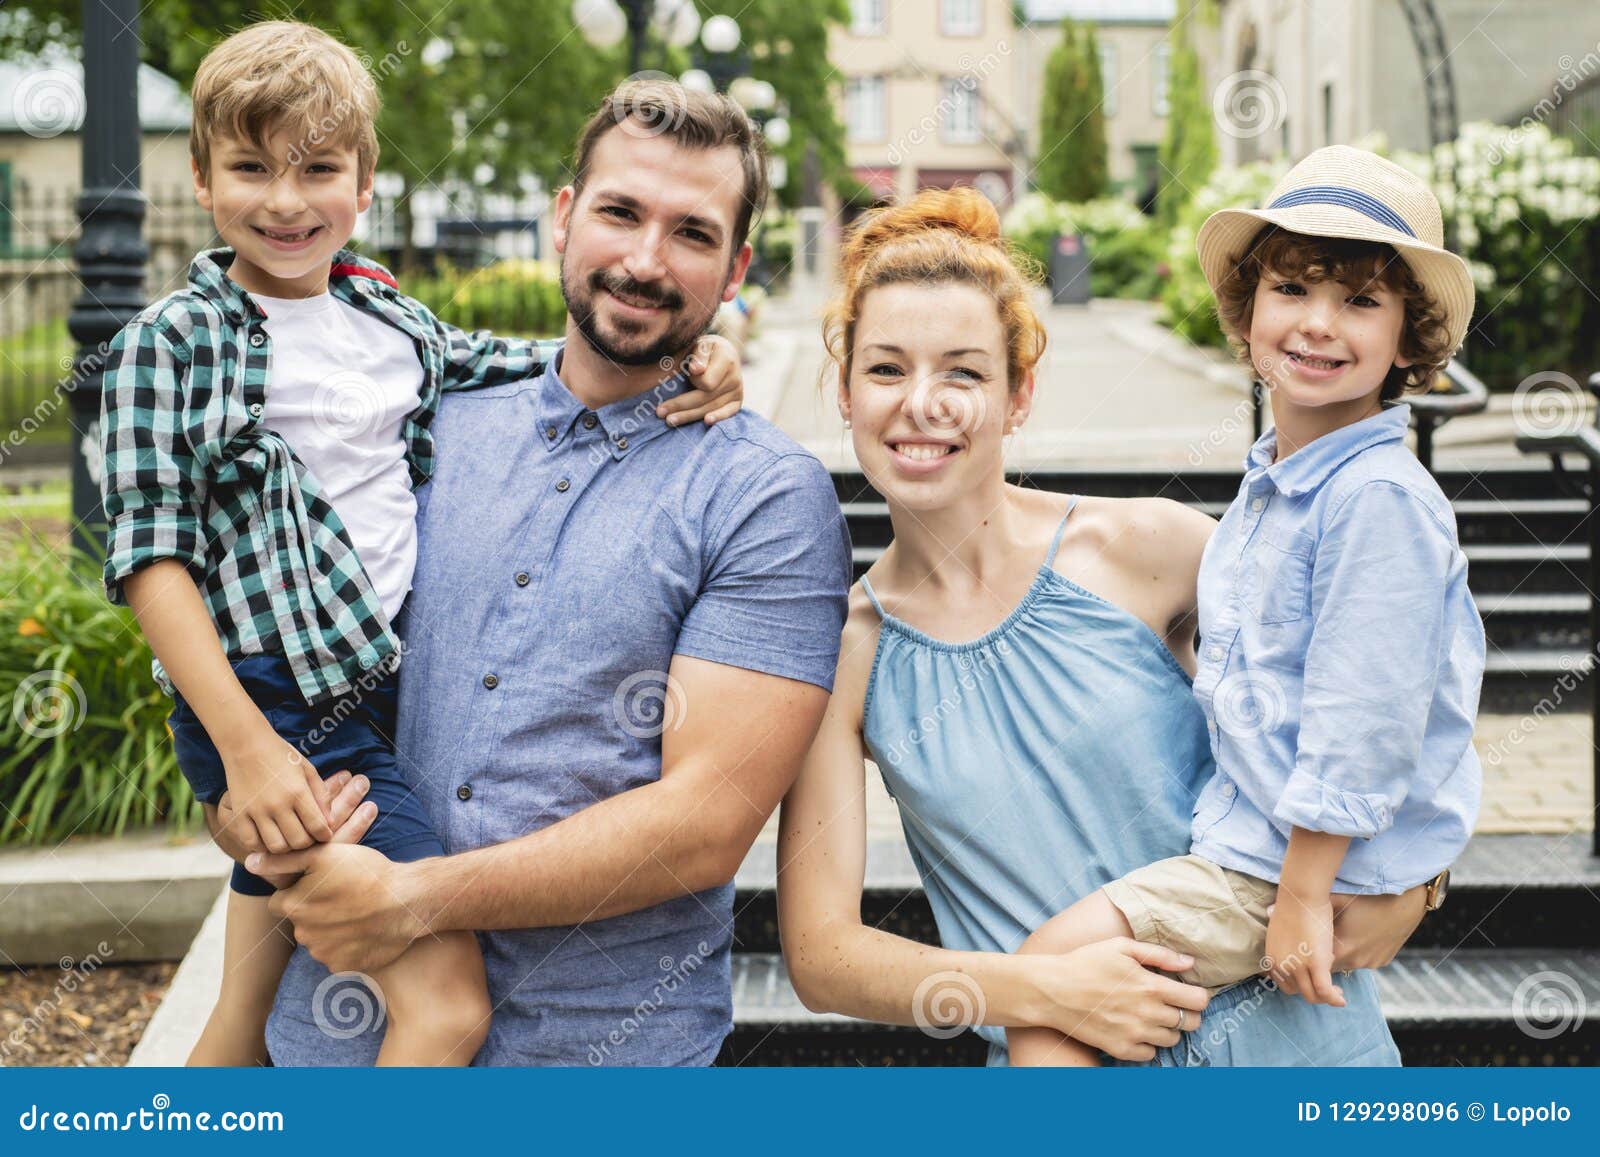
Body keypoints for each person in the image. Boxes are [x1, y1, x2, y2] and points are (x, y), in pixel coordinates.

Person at [100, 25, 744, 1068]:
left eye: (318, 169)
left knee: (240, 1013)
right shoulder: (171, 343)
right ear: (202, 178)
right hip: (279, 697)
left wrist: (694, 354)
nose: (285, 200)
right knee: (445, 1007)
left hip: (374, 683)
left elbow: (530, 361)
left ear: (364, 183)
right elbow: (149, 556)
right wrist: (248, 747)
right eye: (252, 168)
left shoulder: (385, 318)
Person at [241, 78, 852, 1066]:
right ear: (563, 218)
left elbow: (704, 823)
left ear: (736, 266)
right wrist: (248, 785)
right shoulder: (416, 418)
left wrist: (412, 897)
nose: (645, 260)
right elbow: (277, 643)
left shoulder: (765, 496)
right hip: (334, 1037)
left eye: (692, 234)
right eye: (620, 213)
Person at [779, 185, 1430, 1067]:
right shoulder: (845, 653)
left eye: (964, 372)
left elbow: (1384, 669)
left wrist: (1424, 877)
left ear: (1019, 394)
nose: (923, 403)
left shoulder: (1149, 548)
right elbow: (823, 955)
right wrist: (1046, 991)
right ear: (845, 392)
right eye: (887, 370)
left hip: (1302, 1053)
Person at [1007, 147, 1482, 1066]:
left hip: (1285, 867)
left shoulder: (1376, 498)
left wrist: (1303, 893)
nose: (1318, 323)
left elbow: (1362, 718)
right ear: (1250, 307)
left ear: (1408, 338)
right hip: (1260, 840)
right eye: (1292, 288)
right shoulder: (1284, 484)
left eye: (1360, 300)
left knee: (1049, 980)